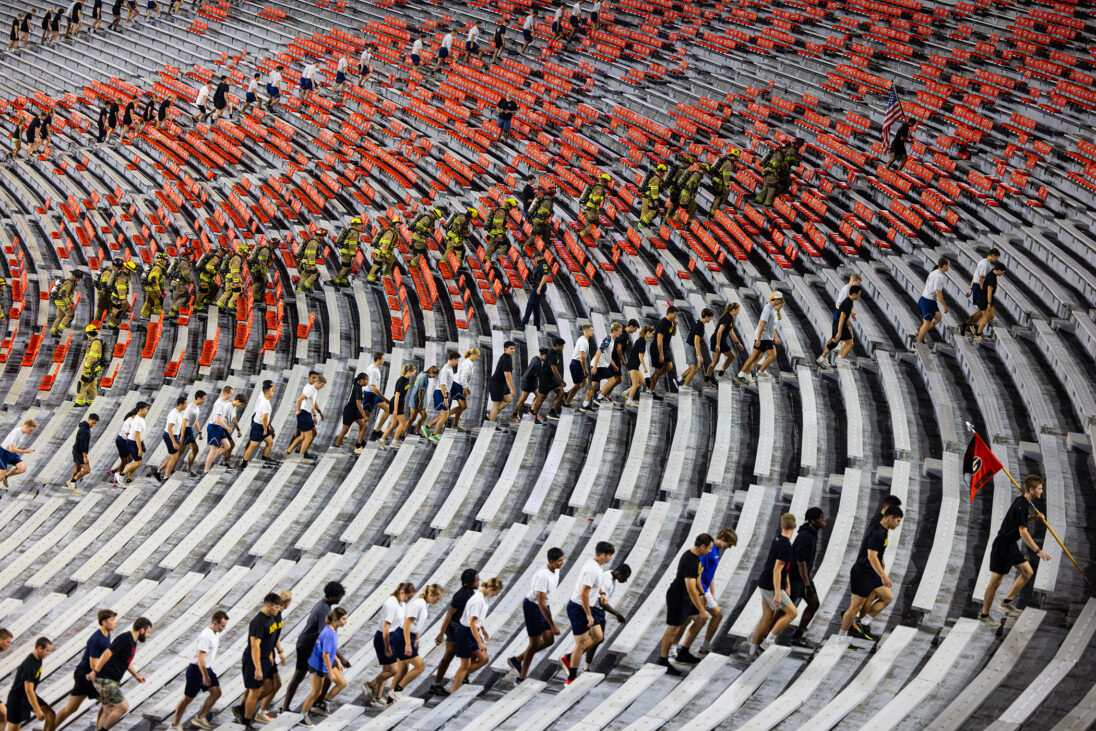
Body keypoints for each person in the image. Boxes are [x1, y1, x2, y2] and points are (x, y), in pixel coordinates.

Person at [979, 475, 1051, 626]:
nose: (1042, 491)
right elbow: (1023, 532)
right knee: (995, 582)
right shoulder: (1022, 505)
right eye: (1040, 488)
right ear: (1031, 490)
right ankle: (984, 616)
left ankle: (1006, 602)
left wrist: (1034, 518)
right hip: (1003, 546)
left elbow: (1020, 520)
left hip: (1011, 545)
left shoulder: (1023, 502)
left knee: (1027, 572)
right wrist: (1038, 551)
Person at [282, 582, 346, 715]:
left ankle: (289, 706)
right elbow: (325, 638)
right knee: (323, 673)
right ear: (331, 596)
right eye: (339, 596)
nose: (340, 599)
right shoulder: (324, 610)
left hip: (306, 645)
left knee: (301, 676)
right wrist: (340, 658)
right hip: (308, 648)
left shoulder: (323, 605)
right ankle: (318, 702)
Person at [840, 508, 904, 640]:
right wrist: (883, 575)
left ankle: (862, 623)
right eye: (898, 521)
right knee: (855, 607)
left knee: (887, 597)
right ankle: (841, 637)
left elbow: (878, 553)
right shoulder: (877, 533)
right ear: (890, 517)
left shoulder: (883, 529)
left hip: (871, 572)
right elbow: (871, 556)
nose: (898, 524)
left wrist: (882, 563)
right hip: (863, 573)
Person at [657, 534, 713, 674]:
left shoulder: (697, 558)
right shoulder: (690, 561)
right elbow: (690, 587)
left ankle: (684, 652)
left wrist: (702, 594)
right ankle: (663, 660)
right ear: (702, 546)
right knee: (673, 628)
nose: (710, 551)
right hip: (678, 596)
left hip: (687, 596)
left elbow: (698, 578)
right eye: (709, 548)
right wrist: (701, 609)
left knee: (700, 620)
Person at [677, 528, 737, 658]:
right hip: (700, 589)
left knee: (699, 618)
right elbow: (698, 573)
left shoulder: (716, 551)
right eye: (729, 544)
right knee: (699, 618)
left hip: (705, 589)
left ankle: (690, 648)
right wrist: (702, 593)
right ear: (724, 540)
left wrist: (712, 592)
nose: (729, 547)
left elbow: (711, 573)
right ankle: (687, 649)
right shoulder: (709, 551)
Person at [562, 541, 615, 685]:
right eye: (609, 556)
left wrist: (602, 593)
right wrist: (589, 615)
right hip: (579, 608)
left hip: (585, 607)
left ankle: (569, 658)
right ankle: (571, 677)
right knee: (581, 643)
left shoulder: (596, 566)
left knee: (598, 636)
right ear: (602, 555)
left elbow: (594, 586)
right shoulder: (592, 570)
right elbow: (583, 594)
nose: (611, 558)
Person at [509, 547, 564, 683]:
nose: (562, 563)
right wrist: (553, 625)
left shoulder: (556, 570)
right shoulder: (542, 576)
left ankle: (517, 659)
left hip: (544, 605)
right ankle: (521, 677)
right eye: (559, 561)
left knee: (549, 640)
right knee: (533, 644)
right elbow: (540, 602)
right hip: (533, 607)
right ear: (551, 561)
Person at [53, 609, 115, 728]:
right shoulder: (97, 639)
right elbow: (93, 664)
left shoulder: (106, 635)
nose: (115, 622)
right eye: (112, 620)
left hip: (83, 675)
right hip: (85, 676)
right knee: (109, 703)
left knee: (70, 709)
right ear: (104, 622)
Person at [748, 514, 798, 656]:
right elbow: (777, 570)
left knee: (767, 618)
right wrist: (777, 592)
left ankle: (752, 651)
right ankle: (768, 641)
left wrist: (787, 584)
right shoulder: (786, 545)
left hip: (765, 582)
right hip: (771, 585)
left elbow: (784, 568)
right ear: (794, 526)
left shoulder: (777, 540)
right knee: (793, 613)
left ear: (781, 525)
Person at [89, 617, 152, 730]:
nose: (148, 635)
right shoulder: (125, 638)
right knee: (123, 707)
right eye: (148, 632)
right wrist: (96, 671)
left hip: (110, 679)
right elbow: (107, 652)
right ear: (142, 630)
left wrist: (136, 675)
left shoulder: (132, 642)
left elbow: (125, 661)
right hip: (105, 678)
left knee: (108, 710)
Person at [170, 610, 228, 731]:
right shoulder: (206, 636)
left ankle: (200, 717)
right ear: (215, 623)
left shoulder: (215, 633)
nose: (224, 628)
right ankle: (175, 725)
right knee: (187, 698)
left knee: (216, 692)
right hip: (197, 670)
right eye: (222, 625)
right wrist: (205, 676)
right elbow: (200, 657)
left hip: (206, 669)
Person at [232, 594, 282, 729]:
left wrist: (272, 653)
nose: (278, 610)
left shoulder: (271, 617)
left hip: (266, 658)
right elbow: (255, 647)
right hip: (254, 660)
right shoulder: (258, 622)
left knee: (270, 687)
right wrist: (258, 668)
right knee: (254, 691)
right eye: (276, 608)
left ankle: (243, 708)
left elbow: (270, 638)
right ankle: (246, 722)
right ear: (268, 606)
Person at [429, 568, 478, 696]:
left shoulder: (472, 593)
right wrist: (441, 633)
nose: (478, 582)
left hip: (464, 627)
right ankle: (437, 684)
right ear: (469, 582)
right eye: (476, 580)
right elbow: (449, 615)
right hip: (455, 628)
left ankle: (463, 676)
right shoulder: (460, 596)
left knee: (473, 652)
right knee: (449, 655)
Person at [364, 583, 414, 706]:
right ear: (402, 592)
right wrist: (387, 647)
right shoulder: (391, 603)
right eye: (408, 597)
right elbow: (386, 626)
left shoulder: (402, 604)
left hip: (393, 637)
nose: (409, 600)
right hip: (384, 638)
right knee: (393, 670)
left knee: (386, 669)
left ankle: (378, 696)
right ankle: (370, 685)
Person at [450, 577, 503, 693]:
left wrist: (483, 629)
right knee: (464, 665)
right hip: (465, 632)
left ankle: (459, 677)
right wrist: (479, 642)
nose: (496, 595)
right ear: (491, 589)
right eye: (496, 593)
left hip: (472, 631)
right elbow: (472, 622)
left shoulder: (483, 598)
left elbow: (477, 620)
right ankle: (454, 692)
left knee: (484, 658)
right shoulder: (477, 600)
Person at [299, 608, 348, 726]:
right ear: (336, 619)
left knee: (342, 683)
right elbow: (325, 654)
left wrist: (337, 660)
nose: (346, 621)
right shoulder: (329, 633)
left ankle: (323, 705)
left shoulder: (334, 629)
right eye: (344, 619)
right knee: (315, 693)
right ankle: (302, 717)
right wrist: (330, 672)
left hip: (326, 663)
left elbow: (332, 649)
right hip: (318, 665)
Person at [391, 585, 444, 695]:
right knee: (420, 667)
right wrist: (408, 644)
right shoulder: (419, 604)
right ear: (430, 595)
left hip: (406, 636)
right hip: (403, 636)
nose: (437, 601)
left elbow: (416, 625)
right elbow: (407, 623)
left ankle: (390, 697)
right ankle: (397, 690)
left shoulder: (424, 604)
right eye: (437, 598)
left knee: (402, 670)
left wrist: (417, 641)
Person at [787, 507, 826, 648]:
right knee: (784, 610)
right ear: (813, 520)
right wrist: (807, 585)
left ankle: (798, 635)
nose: (824, 521)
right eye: (821, 518)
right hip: (796, 579)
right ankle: (766, 636)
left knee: (814, 604)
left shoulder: (812, 533)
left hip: (803, 578)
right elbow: (801, 563)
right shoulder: (805, 536)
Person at [582, 562, 630, 670]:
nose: (625, 580)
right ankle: (571, 657)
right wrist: (617, 614)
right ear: (619, 573)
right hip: (594, 609)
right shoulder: (606, 580)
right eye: (625, 577)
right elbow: (602, 602)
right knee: (597, 638)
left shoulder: (611, 575)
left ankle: (586, 667)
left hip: (599, 611)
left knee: (598, 639)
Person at [5, 637, 53, 731]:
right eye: (47, 650)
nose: (49, 653)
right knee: (14, 728)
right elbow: (29, 690)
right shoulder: (29, 665)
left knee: (50, 714)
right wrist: (38, 711)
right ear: (39, 648)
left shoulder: (38, 658)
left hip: (28, 696)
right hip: (17, 699)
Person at [736, 291, 784, 384]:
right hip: (763, 337)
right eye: (780, 301)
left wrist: (774, 337)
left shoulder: (772, 309)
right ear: (777, 299)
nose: (782, 303)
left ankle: (748, 374)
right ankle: (746, 373)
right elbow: (762, 324)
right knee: (770, 355)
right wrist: (758, 339)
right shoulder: (768, 309)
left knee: (757, 356)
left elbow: (774, 323)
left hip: (766, 337)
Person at [203, 387, 244, 475]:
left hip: (219, 428)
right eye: (231, 394)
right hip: (214, 427)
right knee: (213, 449)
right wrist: (228, 428)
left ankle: (211, 460)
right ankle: (205, 471)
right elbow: (217, 419)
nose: (231, 396)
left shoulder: (224, 403)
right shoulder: (220, 403)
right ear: (226, 393)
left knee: (227, 446)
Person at [817, 285, 861, 368]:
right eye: (858, 294)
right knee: (849, 343)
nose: (859, 296)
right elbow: (842, 318)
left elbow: (846, 317)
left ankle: (822, 358)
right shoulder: (847, 303)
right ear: (854, 294)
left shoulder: (849, 301)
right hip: (840, 324)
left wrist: (849, 327)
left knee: (834, 342)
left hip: (840, 324)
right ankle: (840, 360)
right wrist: (839, 332)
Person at [961, 248, 1000, 336]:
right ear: (993, 255)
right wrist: (983, 291)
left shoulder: (984, 262)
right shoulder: (984, 264)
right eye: (996, 257)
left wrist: (970, 288)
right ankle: (968, 326)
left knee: (987, 314)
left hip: (978, 287)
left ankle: (970, 326)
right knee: (983, 313)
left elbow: (975, 275)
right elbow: (981, 279)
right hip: (980, 288)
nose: (996, 260)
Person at [285, 375, 326, 459]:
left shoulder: (314, 390)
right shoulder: (311, 389)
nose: (323, 387)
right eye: (322, 385)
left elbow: (312, 403)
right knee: (308, 437)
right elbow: (299, 399)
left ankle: (287, 452)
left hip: (306, 413)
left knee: (302, 436)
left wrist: (314, 415)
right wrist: (299, 411)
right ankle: (299, 457)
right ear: (318, 383)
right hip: (304, 413)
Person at [423, 351, 459, 442]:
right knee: (444, 415)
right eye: (457, 360)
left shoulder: (449, 368)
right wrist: (445, 397)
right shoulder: (446, 370)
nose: (457, 362)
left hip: (443, 393)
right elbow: (443, 385)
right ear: (453, 359)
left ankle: (428, 427)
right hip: (441, 393)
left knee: (444, 415)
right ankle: (434, 434)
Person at [965, 262, 1006, 341]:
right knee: (986, 317)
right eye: (1002, 272)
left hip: (985, 297)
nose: (1002, 274)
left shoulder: (992, 272)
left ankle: (975, 327)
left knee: (991, 316)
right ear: (999, 270)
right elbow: (989, 291)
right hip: (985, 299)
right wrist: (989, 303)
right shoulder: (992, 278)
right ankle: (977, 334)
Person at [914, 256, 950, 345]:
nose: (949, 267)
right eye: (948, 265)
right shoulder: (939, 276)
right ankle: (917, 343)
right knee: (926, 323)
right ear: (944, 265)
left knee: (938, 317)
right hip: (928, 301)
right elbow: (938, 292)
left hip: (927, 299)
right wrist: (944, 305)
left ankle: (920, 334)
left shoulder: (934, 272)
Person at [379, 363, 416, 449]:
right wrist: (395, 409)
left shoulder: (407, 380)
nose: (414, 374)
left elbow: (403, 395)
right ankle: (394, 441)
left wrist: (404, 404)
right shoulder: (401, 381)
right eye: (414, 372)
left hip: (399, 403)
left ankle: (382, 440)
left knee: (394, 424)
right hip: (395, 403)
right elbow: (397, 396)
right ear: (409, 372)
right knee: (403, 423)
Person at [240, 380, 276, 468]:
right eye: (272, 390)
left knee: (270, 441)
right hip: (259, 426)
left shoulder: (265, 399)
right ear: (268, 391)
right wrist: (264, 429)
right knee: (253, 445)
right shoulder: (265, 403)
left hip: (261, 424)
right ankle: (244, 463)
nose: (274, 392)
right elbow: (264, 418)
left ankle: (264, 459)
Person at [706, 303, 743, 384]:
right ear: (733, 310)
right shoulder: (727, 318)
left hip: (721, 340)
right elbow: (719, 331)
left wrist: (738, 343)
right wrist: (718, 345)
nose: (738, 312)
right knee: (715, 361)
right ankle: (707, 379)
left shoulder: (731, 318)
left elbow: (731, 332)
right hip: (717, 340)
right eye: (738, 310)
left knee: (731, 356)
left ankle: (720, 374)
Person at [530, 337, 565, 423]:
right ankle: (534, 416)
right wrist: (561, 380)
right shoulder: (552, 354)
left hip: (551, 378)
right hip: (546, 378)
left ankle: (552, 412)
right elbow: (554, 369)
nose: (563, 347)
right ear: (557, 345)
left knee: (560, 392)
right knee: (541, 397)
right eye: (562, 346)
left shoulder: (555, 353)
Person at [154, 397, 188, 483]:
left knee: (173, 456)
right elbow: (169, 428)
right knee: (174, 457)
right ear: (181, 404)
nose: (186, 405)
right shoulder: (174, 414)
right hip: (170, 436)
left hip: (174, 435)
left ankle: (158, 471)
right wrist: (173, 442)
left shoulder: (179, 412)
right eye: (186, 403)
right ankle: (165, 477)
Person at [335, 372, 369, 451]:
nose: (367, 382)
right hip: (350, 411)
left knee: (364, 426)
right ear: (361, 380)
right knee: (344, 431)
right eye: (366, 380)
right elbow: (358, 403)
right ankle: (336, 448)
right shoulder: (358, 389)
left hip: (355, 411)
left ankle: (358, 446)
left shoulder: (359, 387)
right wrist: (364, 415)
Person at [649, 306, 678, 397]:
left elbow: (673, 334)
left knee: (669, 366)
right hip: (657, 348)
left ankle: (651, 379)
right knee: (658, 371)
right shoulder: (663, 323)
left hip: (665, 348)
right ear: (669, 313)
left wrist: (675, 325)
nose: (676, 316)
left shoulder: (670, 322)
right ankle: (651, 390)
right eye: (675, 314)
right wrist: (661, 354)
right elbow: (659, 340)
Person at [512, 347, 547, 421]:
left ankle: (532, 411)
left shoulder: (535, 358)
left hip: (532, 381)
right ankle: (514, 414)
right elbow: (538, 376)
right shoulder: (538, 362)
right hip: (527, 382)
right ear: (544, 355)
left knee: (539, 396)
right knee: (522, 399)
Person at [563, 324, 595, 407]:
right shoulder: (583, 341)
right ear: (586, 331)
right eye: (591, 330)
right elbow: (582, 357)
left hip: (578, 364)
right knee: (577, 385)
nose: (593, 332)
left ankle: (568, 394)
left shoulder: (583, 339)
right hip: (576, 364)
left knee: (585, 382)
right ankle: (567, 403)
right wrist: (585, 370)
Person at [67, 413, 99, 493]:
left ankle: (71, 487)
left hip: (76, 450)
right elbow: (82, 444)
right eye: (93, 422)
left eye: (95, 423)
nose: (93, 425)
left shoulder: (85, 428)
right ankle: (72, 481)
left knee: (77, 470)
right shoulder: (84, 430)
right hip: (79, 452)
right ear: (88, 419)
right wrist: (85, 456)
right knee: (87, 469)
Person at [362, 352, 390, 442]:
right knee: (365, 419)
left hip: (374, 395)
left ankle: (377, 431)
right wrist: (385, 398)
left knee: (389, 409)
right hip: (370, 396)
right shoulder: (373, 371)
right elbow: (374, 388)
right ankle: (360, 440)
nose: (384, 360)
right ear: (378, 359)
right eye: (383, 359)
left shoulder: (374, 367)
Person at [0, 420, 36, 489]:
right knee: (1, 476)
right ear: (26, 427)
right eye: (30, 430)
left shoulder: (22, 432)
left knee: (22, 469)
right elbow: (11, 449)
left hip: (11, 453)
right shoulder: (17, 432)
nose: (31, 432)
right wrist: (25, 451)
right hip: (4, 453)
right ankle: (3, 476)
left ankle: (6, 476)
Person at [681, 309, 713, 388]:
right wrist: (699, 355)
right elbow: (696, 341)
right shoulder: (700, 326)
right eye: (710, 317)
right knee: (693, 369)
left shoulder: (699, 323)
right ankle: (684, 386)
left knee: (696, 368)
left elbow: (690, 334)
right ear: (706, 317)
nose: (711, 319)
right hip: (691, 347)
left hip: (690, 346)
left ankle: (679, 380)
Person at [449, 348, 478, 432]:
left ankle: (455, 425)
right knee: (464, 406)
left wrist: (467, 387)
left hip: (458, 384)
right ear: (472, 354)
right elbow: (463, 377)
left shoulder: (468, 362)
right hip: (457, 385)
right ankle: (445, 416)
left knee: (462, 407)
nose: (477, 358)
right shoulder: (468, 363)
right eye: (477, 356)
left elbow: (464, 376)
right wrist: (465, 387)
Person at [76, 325, 105, 407]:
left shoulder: (95, 343)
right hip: (94, 369)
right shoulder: (95, 341)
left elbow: (93, 357)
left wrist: (86, 365)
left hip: (90, 369)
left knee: (82, 384)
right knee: (92, 386)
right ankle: (91, 402)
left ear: (89, 334)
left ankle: (79, 402)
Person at [521, 250, 551, 330]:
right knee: (536, 306)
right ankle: (537, 326)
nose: (534, 260)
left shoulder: (543, 264)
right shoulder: (540, 264)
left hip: (539, 287)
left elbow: (545, 276)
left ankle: (524, 324)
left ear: (538, 257)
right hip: (537, 286)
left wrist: (539, 287)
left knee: (530, 305)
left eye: (535, 258)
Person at [487, 342, 517, 423]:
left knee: (508, 399)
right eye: (511, 348)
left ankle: (492, 414)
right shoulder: (506, 359)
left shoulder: (509, 357)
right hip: (496, 384)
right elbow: (507, 375)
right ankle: (491, 425)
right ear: (505, 349)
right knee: (496, 406)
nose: (513, 350)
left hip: (502, 383)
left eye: (514, 348)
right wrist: (512, 389)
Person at [623, 325, 652, 408]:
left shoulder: (641, 339)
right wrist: (644, 367)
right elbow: (640, 355)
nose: (652, 336)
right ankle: (629, 401)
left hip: (634, 364)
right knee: (635, 384)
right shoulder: (642, 341)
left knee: (642, 382)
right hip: (633, 364)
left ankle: (626, 392)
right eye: (651, 334)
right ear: (648, 333)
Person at [49, 269, 83, 336]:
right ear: (76, 277)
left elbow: (68, 295)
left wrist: (72, 303)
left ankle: (53, 331)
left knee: (60, 316)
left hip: (59, 301)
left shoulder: (71, 282)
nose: (79, 280)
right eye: (79, 278)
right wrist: (68, 304)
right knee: (70, 314)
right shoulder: (69, 283)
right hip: (62, 301)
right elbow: (64, 294)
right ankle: (59, 330)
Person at [406, 366, 436, 438]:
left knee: (423, 415)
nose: (434, 377)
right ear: (431, 372)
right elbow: (420, 390)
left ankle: (416, 431)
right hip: (416, 400)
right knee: (412, 418)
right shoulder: (424, 377)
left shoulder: (422, 374)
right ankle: (402, 433)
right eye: (434, 375)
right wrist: (420, 402)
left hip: (416, 399)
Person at [180, 390, 206, 473]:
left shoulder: (196, 407)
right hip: (186, 430)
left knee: (188, 451)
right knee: (182, 452)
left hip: (189, 430)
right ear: (198, 398)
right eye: (203, 399)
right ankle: (186, 468)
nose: (204, 401)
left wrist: (200, 432)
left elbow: (196, 420)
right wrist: (182, 435)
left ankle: (187, 468)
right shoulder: (190, 408)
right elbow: (184, 421)